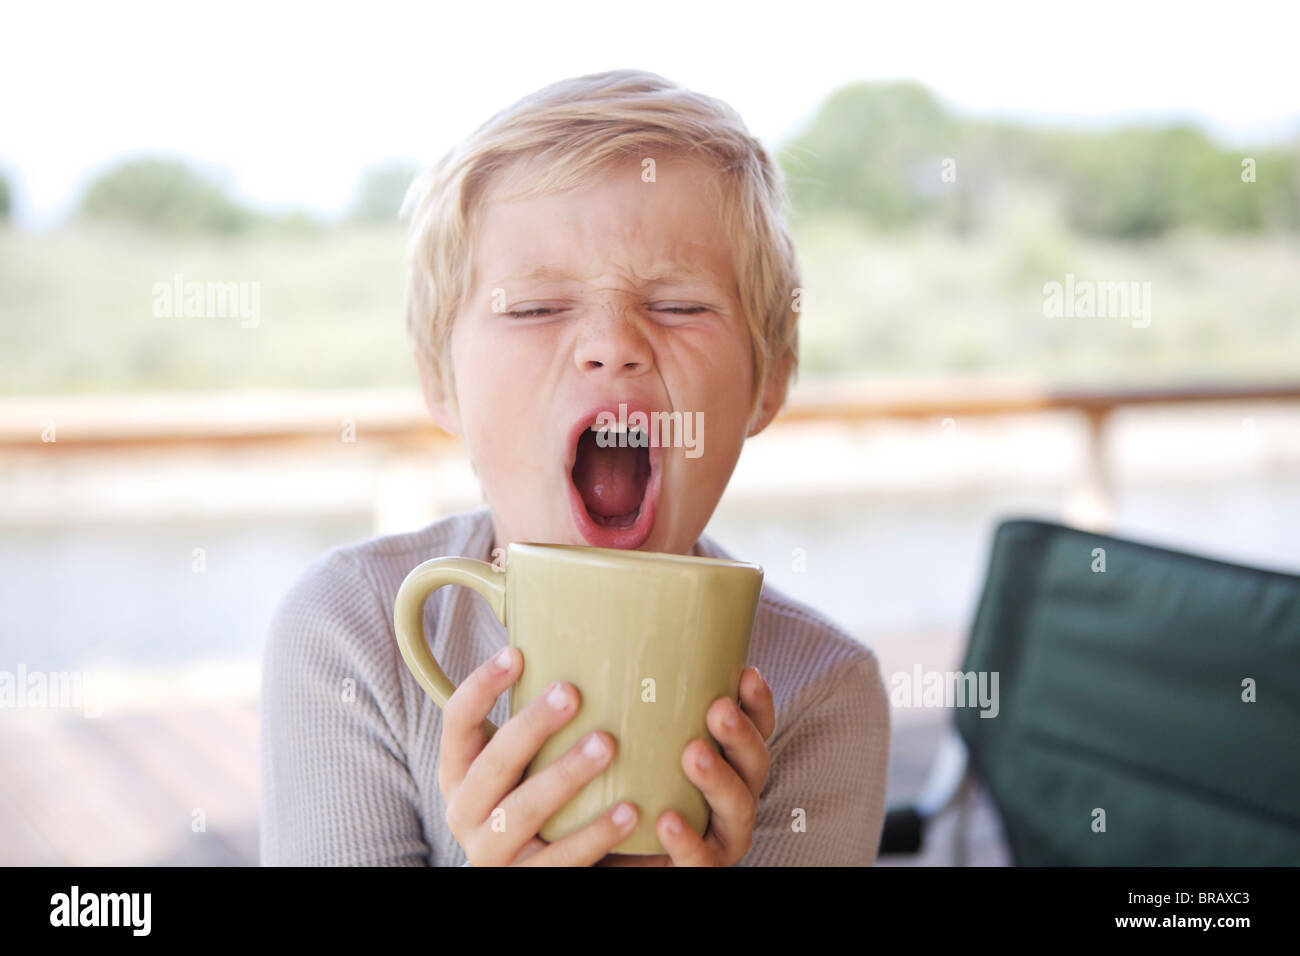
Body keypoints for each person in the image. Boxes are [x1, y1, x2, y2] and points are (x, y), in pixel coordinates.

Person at [260, 69, 889, 866]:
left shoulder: (823, 695)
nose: (612, 342)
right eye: (533, 309)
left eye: (678, 305)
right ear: (440, 383)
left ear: (767, 384)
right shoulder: (351, 636)